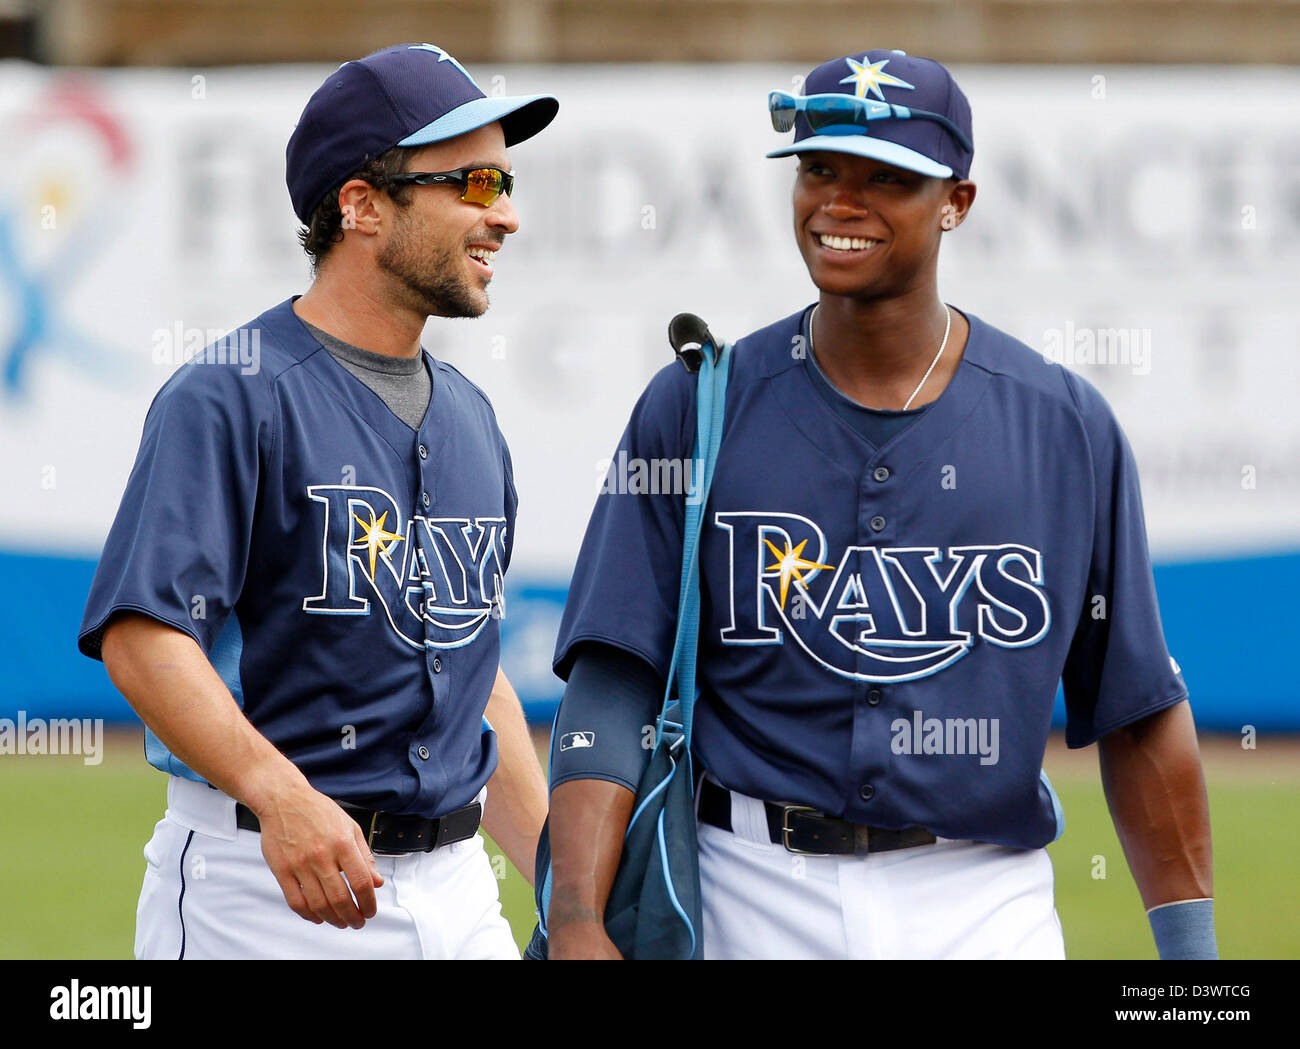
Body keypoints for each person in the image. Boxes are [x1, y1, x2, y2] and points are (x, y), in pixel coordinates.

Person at [542, 50, 1216, 960]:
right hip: (750, 887)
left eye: (888, 178)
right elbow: (615, 679)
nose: (840, 204)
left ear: (957, 203)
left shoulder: (1064, 426)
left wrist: (1194, 968)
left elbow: (1136, 709)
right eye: (819, 169)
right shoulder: (698, 405)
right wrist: (578, 917)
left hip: (981, 902)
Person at [78, 43, 558, 960]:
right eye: (475, 181)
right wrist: (282, 795)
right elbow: (143, 638)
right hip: (263, 893)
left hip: (461, 896)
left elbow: (474, 666)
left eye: (506, 180)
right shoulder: (231, 392)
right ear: (362, 204)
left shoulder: (471, 418)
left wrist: (562, 885)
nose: (505, 214)